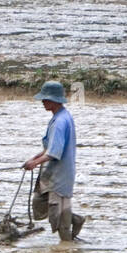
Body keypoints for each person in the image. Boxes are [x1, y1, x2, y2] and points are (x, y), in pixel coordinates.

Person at [21, 81, 85, 242]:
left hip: (58, 175)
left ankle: (66, 247)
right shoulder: (63, 116)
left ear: (55, 100)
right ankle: (73, 222)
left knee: (58, 217)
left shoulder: (59, 123)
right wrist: (34, 158)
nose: (42, 102)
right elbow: (51, 147)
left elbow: (54, 153)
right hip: (61, 173)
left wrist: (35, 164)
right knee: (40, 202)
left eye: (45, 99)